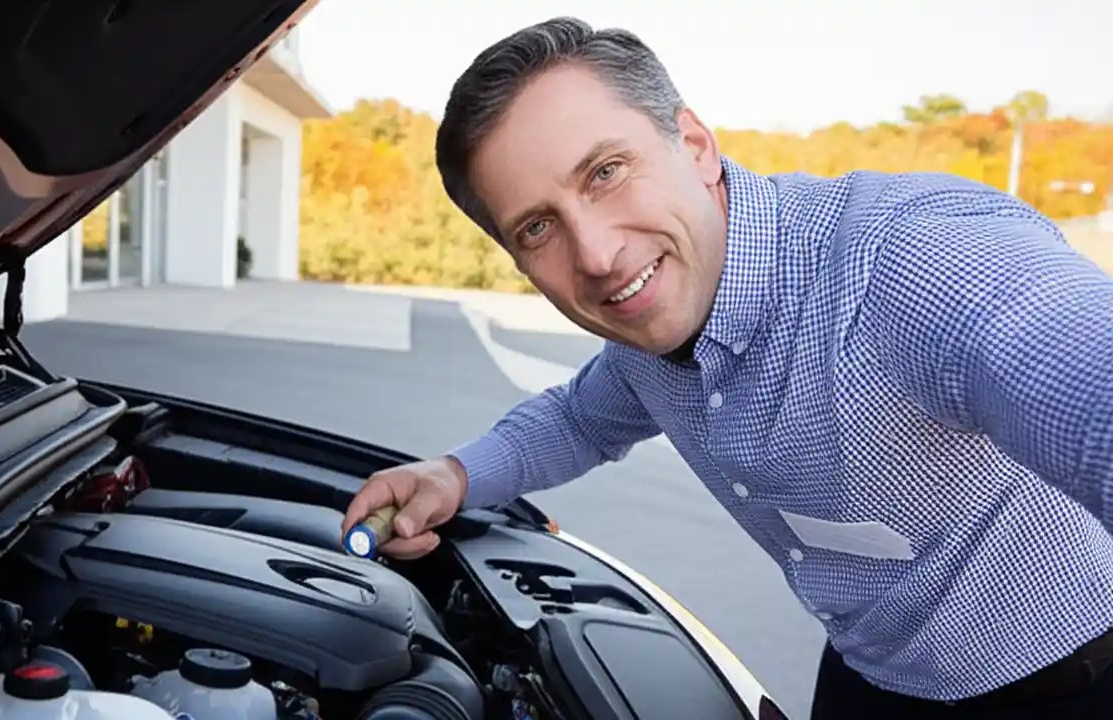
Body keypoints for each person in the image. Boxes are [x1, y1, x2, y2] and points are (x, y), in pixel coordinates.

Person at [340, 15, 1113, 718]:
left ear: (697, 147)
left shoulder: (906, 265)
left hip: (1070, 683)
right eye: (539, 227)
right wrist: (453, 476)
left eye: (605, 171)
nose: (600, 256)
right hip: (870, 679)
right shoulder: (652, 335)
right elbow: (579, 417)